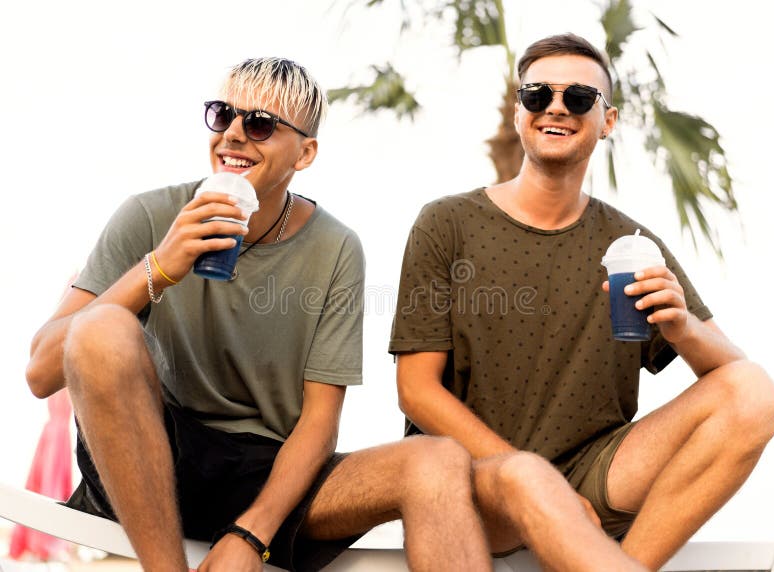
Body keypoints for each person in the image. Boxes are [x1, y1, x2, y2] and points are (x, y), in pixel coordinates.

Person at [25, 57, 493, 572]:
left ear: (306, 152)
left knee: (438, 460)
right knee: (101, 325)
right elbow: (43, 372)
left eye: (261, 123)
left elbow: (319, 422)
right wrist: (161, 265)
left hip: (267, 476)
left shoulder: (336, 248)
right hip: (152, 456)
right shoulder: (150, 215)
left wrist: (253, 534)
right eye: (223, 115)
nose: (235, 135)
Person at [390, 33, 774, 571]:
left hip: (595, 477)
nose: (556, 107)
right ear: (519, 111)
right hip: (476, 481)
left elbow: (740, 391)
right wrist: (537, 484)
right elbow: (415, 391)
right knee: (503, 478)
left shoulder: (632, 246)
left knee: (756, 391)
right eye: (537, 95)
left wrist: (682, 328)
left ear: (608, 120)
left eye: (578, 98)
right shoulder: (446, 224)